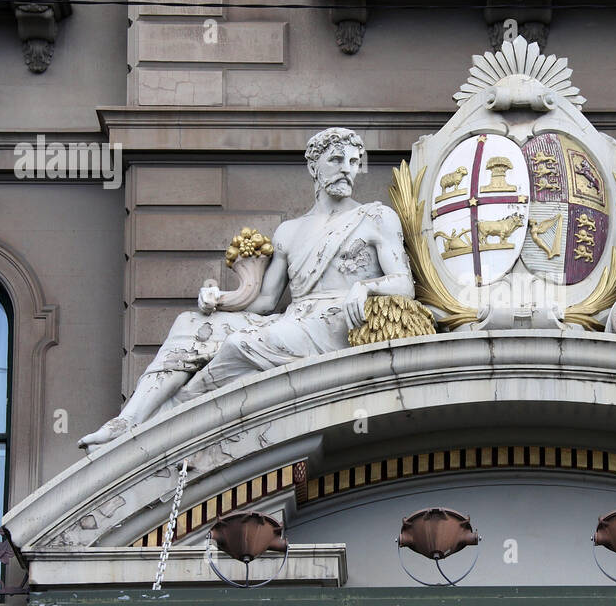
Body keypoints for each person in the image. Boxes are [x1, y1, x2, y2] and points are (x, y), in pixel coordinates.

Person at [78, 127, 414, 450]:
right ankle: (126, 422)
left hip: (334, 323)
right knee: (190, 325)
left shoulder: (375, 217)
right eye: (337, 161)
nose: (347, 170)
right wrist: (218, 299)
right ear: (314, 166)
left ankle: (168, 420)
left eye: (354, 163)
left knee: (240, 344)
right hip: (292, 319)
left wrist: (366, 288)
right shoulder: (289, 231)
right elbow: (266, 301)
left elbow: (405, 283)